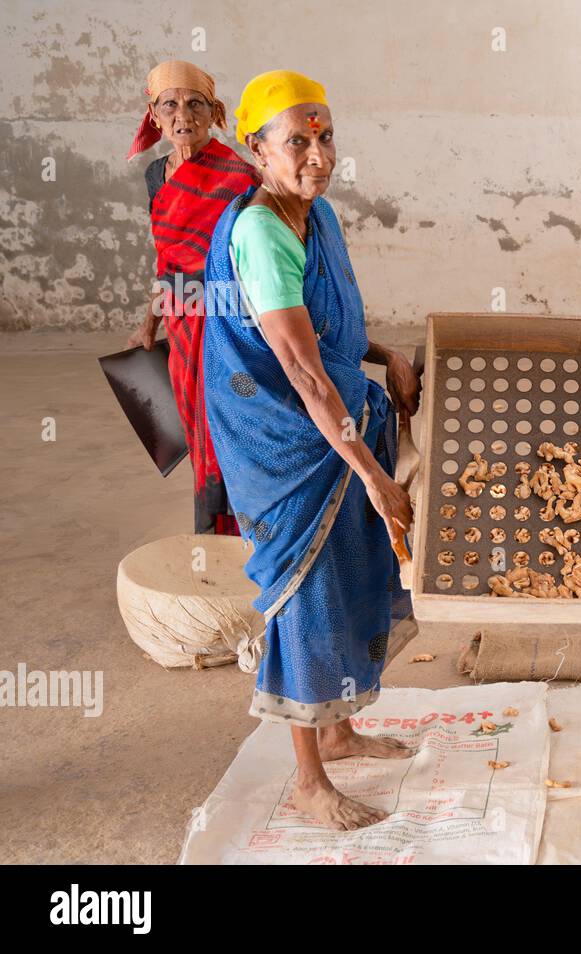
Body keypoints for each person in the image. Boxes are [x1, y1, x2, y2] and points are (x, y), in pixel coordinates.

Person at [203, 71, 422, 830]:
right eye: (297, 142)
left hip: (327, 418)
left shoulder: (313, 215)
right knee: (305, 588)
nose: (318, 156)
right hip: (283, 439)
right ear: (256, 151)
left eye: (325, 137)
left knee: (347, 571)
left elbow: (322, 334)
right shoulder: (261, 231)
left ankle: (338, 728)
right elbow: (295, 369)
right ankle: (307, 778)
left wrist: (381, 353)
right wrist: (372, 476)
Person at [125, 61, 259, 534]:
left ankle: (246, 531)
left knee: (230, 417)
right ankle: (212, 531)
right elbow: (167, 256)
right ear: (155, 115)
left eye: (195, 103)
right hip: (182, 316)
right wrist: (150, 324)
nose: (184, 115)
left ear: (213, 111)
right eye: (170, 105)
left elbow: (254, 256)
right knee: (194, 420)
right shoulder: (157, 175)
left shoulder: (241, 176)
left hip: (230, 317)